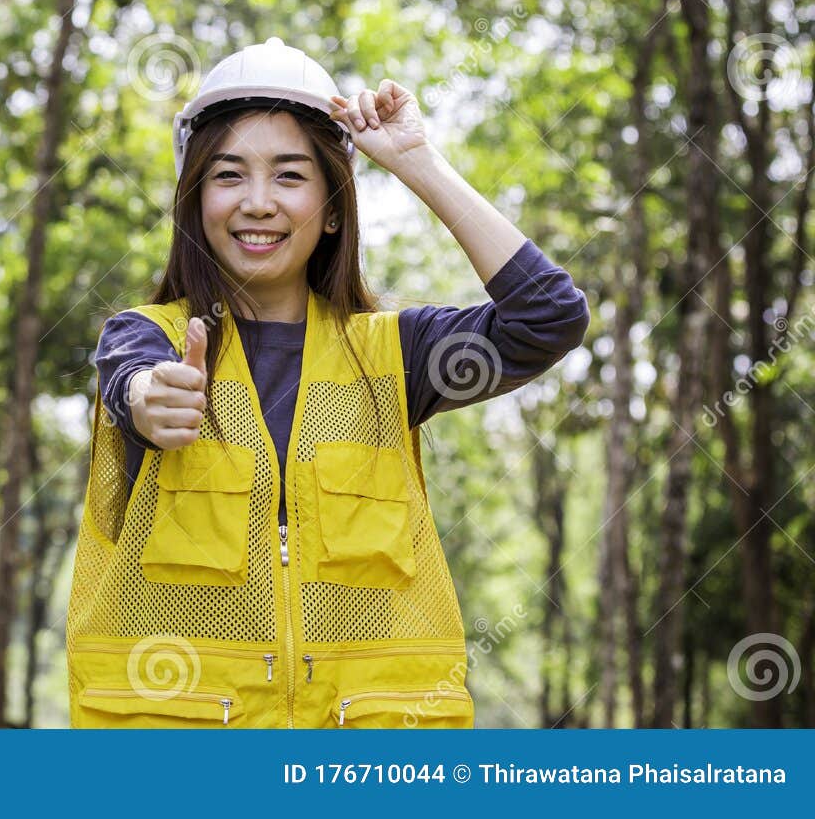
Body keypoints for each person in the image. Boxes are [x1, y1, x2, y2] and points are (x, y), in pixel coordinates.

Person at [65, 38, 590, 729]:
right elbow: (131, 382)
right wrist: (147, 398)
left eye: (289, 176)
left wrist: (416, 162)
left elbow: (547, 316)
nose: (257, 202)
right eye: (227, 175)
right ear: (195, 204)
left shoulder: (394, 356)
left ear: (333, 208)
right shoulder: (146, 339)